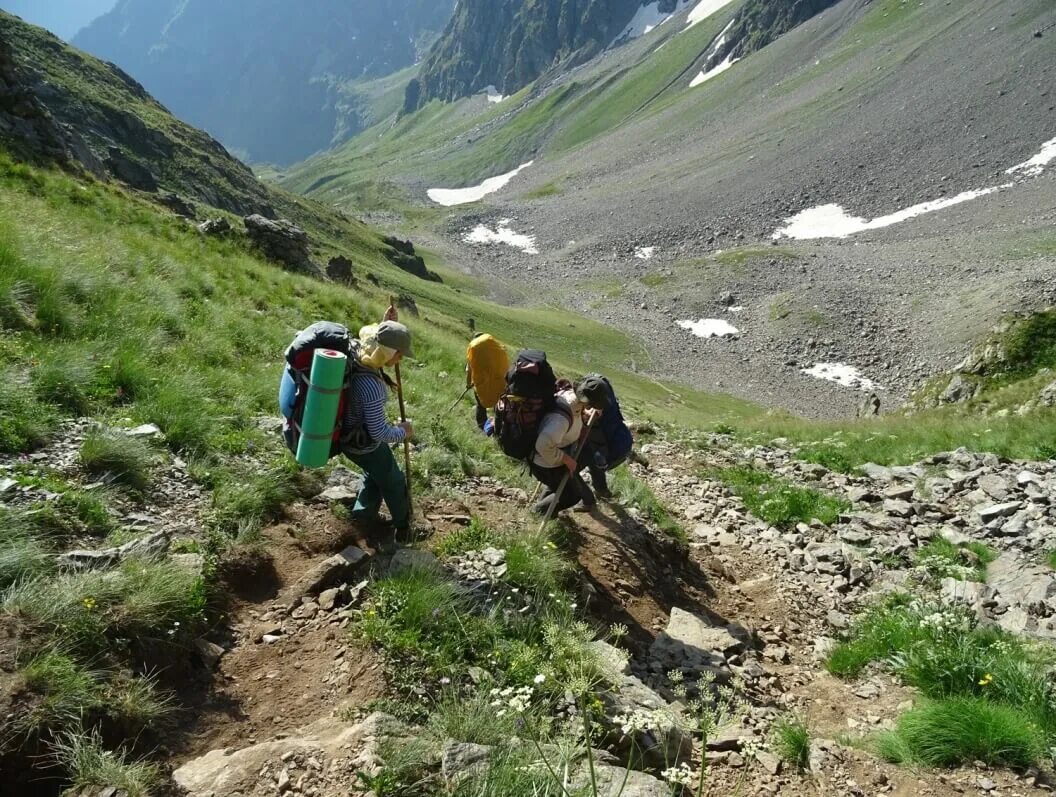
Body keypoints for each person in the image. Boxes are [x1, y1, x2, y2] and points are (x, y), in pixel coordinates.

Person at [342, 306, 415, 536]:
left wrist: (386, 325)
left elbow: (376, 340)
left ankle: (362, 518)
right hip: (364, 444)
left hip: (349, 436)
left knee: (375, 474)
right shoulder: (372, 386)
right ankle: (404, 528)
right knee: (393, 480)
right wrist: (403, 431)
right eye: (398, 353)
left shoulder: (357, 350)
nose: (401, 357)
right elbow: (379, 433)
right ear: (385, 352)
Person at [531, 377, 611, 517]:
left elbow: (574, 413)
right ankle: (538, 512)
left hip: (555, 453)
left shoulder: (570, 396)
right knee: (572, 496)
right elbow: (543, 445)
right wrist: (567, 460)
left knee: (583, 459)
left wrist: (585, 414)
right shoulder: (560, 421)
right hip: (544, 462)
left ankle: (550, 508)